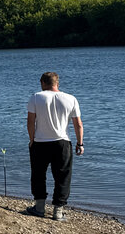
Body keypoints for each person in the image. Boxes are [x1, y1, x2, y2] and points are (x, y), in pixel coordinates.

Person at [26, 71, 84, 221]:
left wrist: (31, 139)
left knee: (38, 174)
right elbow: (78, 124)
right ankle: (58, 211)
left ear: (43, 83)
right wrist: (80, 143)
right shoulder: (71, 99)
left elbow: (30, 122)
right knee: (63, 176)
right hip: (62, 142)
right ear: (57, 83)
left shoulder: (36, 97)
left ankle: (39, 207)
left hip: (40, 142)